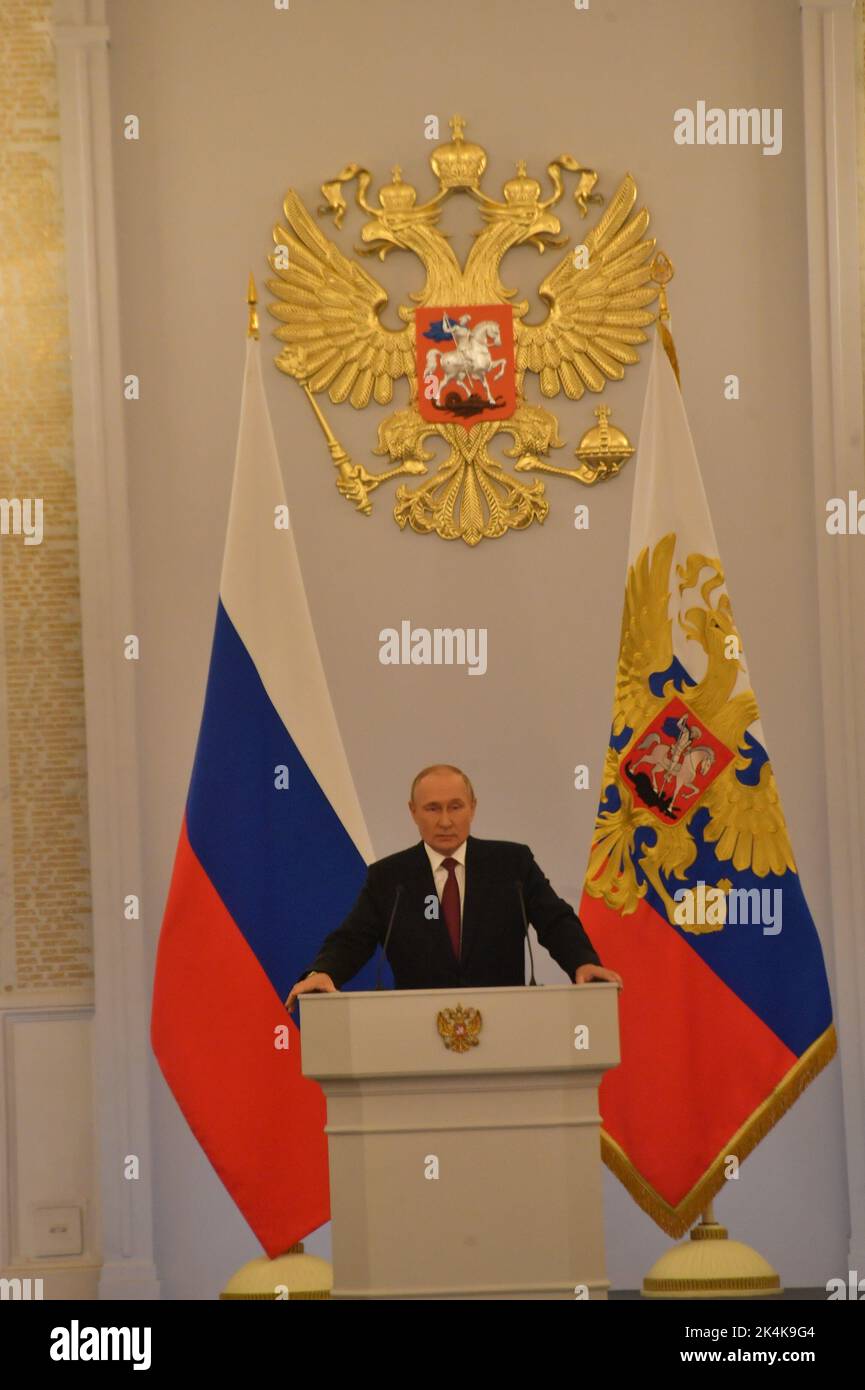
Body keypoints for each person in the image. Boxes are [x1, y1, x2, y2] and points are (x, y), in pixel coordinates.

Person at [284, 764, 622, 1011]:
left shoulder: (512, 865)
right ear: (413, 812)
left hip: (508, 1029)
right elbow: (352, 939)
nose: (445, 821)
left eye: (455, 807)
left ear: (473, 807)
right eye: (433, 808)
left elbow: (555, 920)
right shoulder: (390, 878)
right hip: (417, 1033)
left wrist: (582, 961)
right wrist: (324, 971)